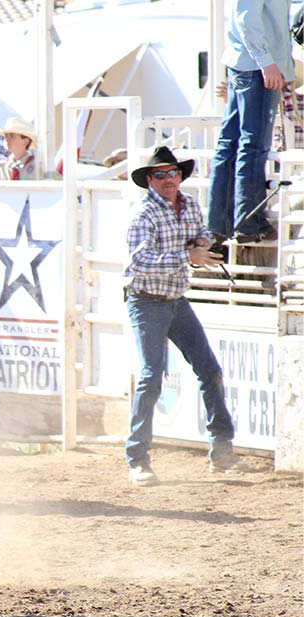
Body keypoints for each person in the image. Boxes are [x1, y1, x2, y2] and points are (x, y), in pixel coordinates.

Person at [124, 147, 242, 486]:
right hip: (146, 300)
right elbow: (139, 261)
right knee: (151, 377)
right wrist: (189, 254)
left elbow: (199, 233)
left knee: (209, 370)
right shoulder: (143, 213)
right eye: (159, 174)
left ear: (180, 175)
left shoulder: (188, 205)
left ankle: (221, 450)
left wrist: (204, 246)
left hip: (174, 298)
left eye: (172, 172)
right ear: (149, 180)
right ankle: (138, 459)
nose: (167, 179)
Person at [206, 0, 293, 245]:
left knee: (231, 142)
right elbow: (246, 19)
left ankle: (220, 222)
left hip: (246, 63)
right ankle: (249, 221)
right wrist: (267, 62)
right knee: (252, 144)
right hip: (257, 66)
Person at [0, 117, 55, 181]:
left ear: (26, 141)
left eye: (12, 136)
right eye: (6, 135)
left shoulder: (38, 168)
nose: (7, 139)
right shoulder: (0, 169)